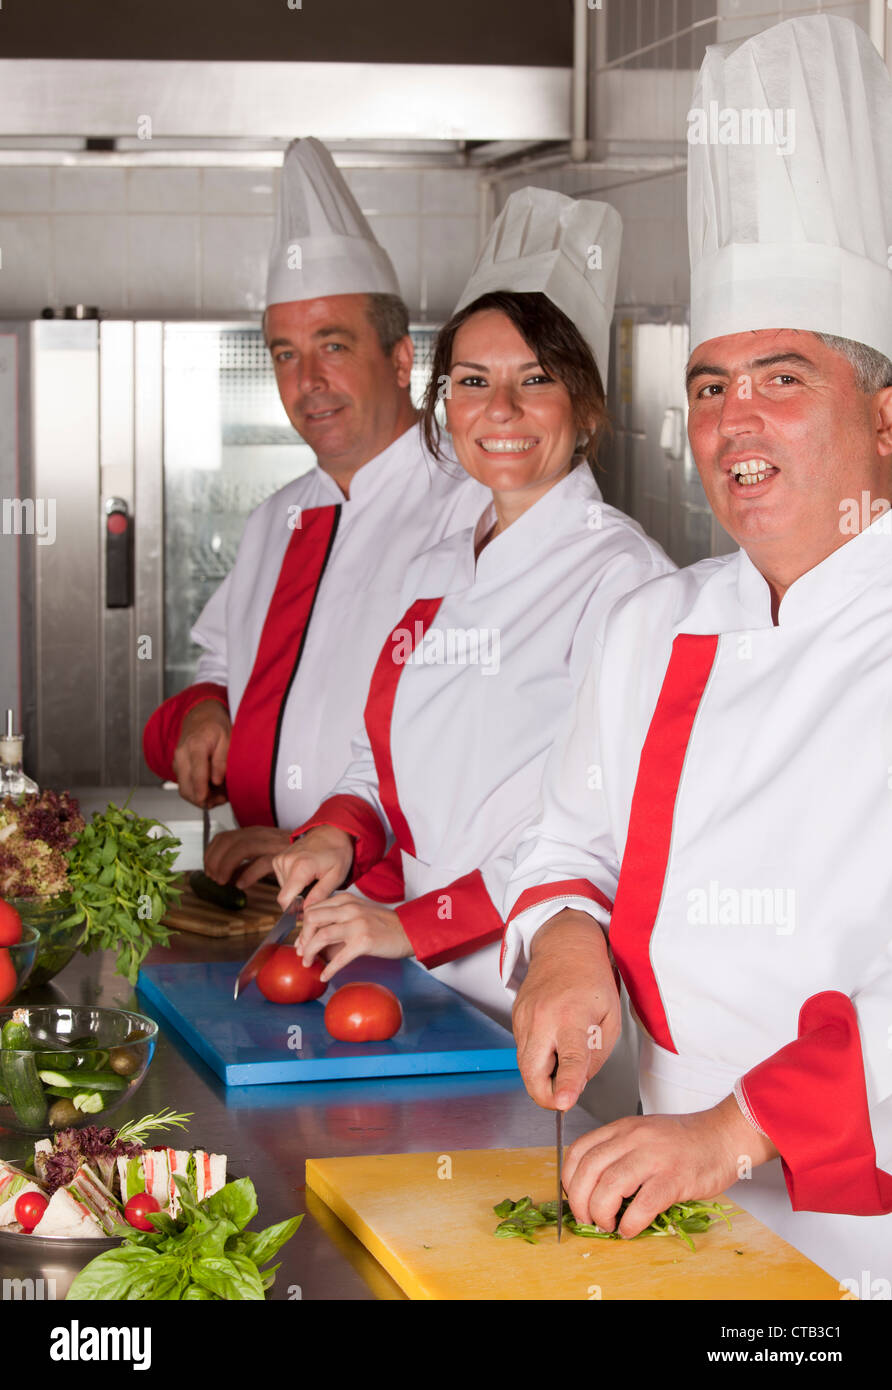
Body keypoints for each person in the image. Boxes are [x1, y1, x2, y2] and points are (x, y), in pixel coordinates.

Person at [500, 14, 892, 1283]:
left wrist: (730, 1132)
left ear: (884, 418)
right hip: (671, 1216)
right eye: (711, 387)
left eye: (782, 378)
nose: (734, 422)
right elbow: (566, 843)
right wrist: (561, 941)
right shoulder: (655, 621)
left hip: (862, 1241)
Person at [270, 187, 674, 1039]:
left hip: (543, 984)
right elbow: (377, 758)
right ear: (443, 403)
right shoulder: (443, 562)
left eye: (537, 380)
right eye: (473, 381)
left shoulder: (625, 580)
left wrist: (410, 925)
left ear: (587, 407)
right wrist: (337, 837)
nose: (502, 410)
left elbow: (604, 828)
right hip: (421, 979)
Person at [143, 138, 485, 901]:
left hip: (393, 902)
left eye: (333, 346)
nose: (308, 383)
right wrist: (205, 713)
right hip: (266, 895)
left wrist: (324, 841)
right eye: (286, 354)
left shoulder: (469, 509)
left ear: (401, 359)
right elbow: (220, 667)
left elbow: (475, 738)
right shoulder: (277, 518)